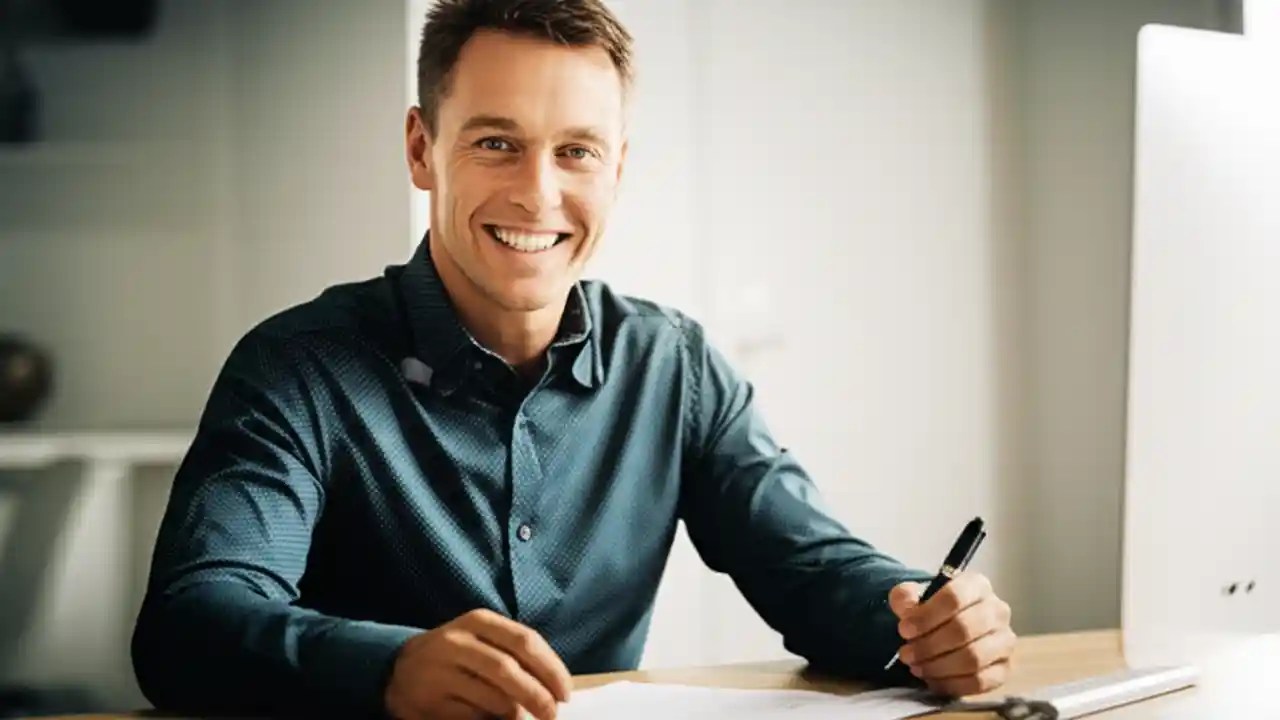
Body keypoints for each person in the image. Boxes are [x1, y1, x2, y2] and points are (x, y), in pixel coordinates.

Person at [131, 1, 1017, 718]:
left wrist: (922, 617)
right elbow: (192, 623)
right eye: (495, 142)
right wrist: (386, 670)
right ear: (420, 150)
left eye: (576, 151)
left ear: (618, 169)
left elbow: (813, 568)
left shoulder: (676, 367)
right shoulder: (299, 370)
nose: (538, 191)